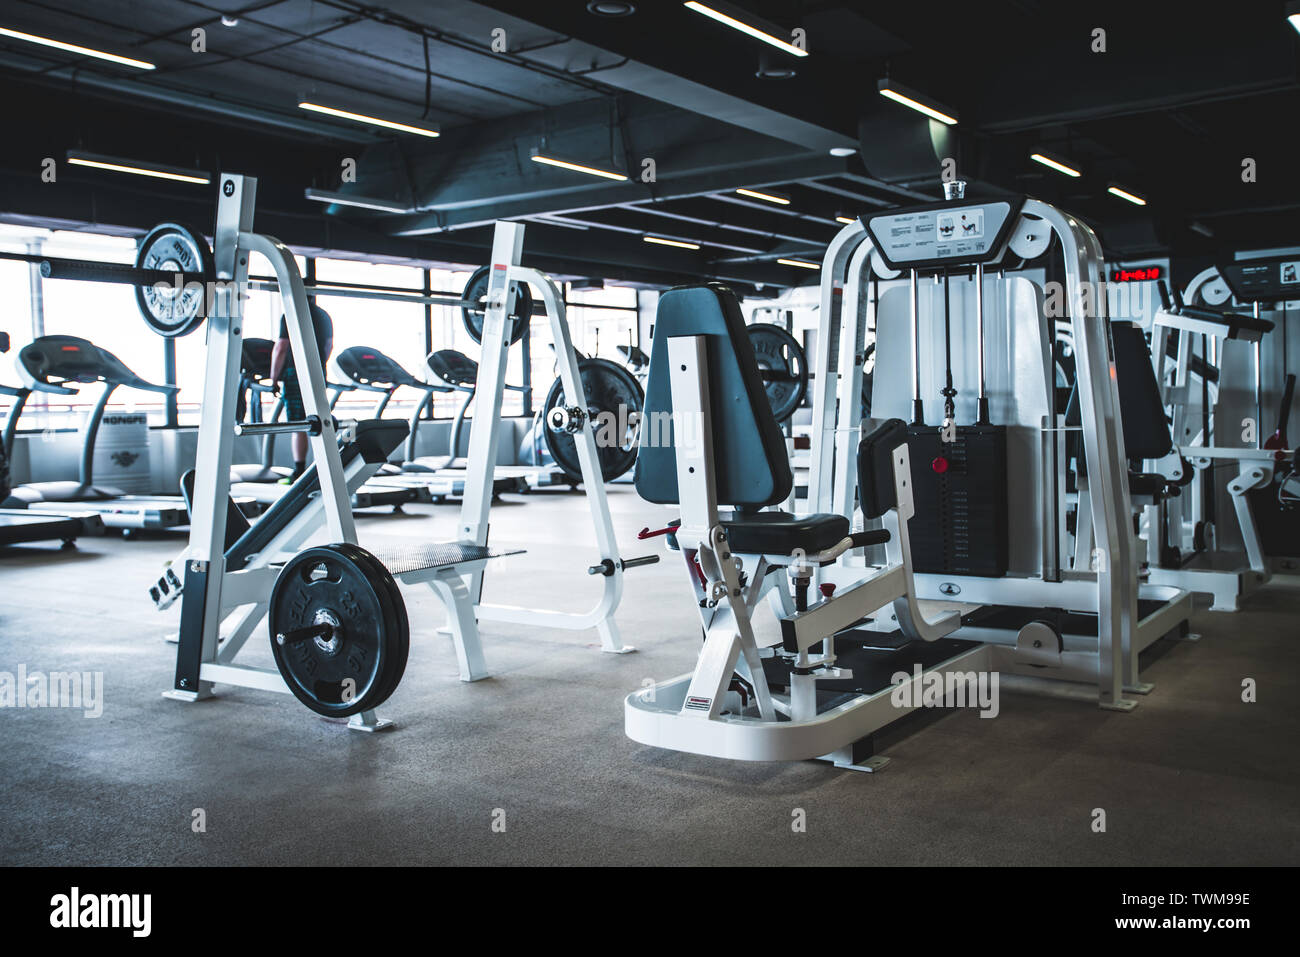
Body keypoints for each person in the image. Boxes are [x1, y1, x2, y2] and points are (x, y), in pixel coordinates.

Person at [268, 303, 334, 482]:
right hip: (317, 372)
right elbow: (328, 346)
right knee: (319, 421)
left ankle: (299, 471)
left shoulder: (290, 313)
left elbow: (281, 347)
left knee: (299, 425)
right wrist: (318, 365)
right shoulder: (323, 314)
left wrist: (273, 379)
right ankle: (325, 469)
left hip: (295, 372)